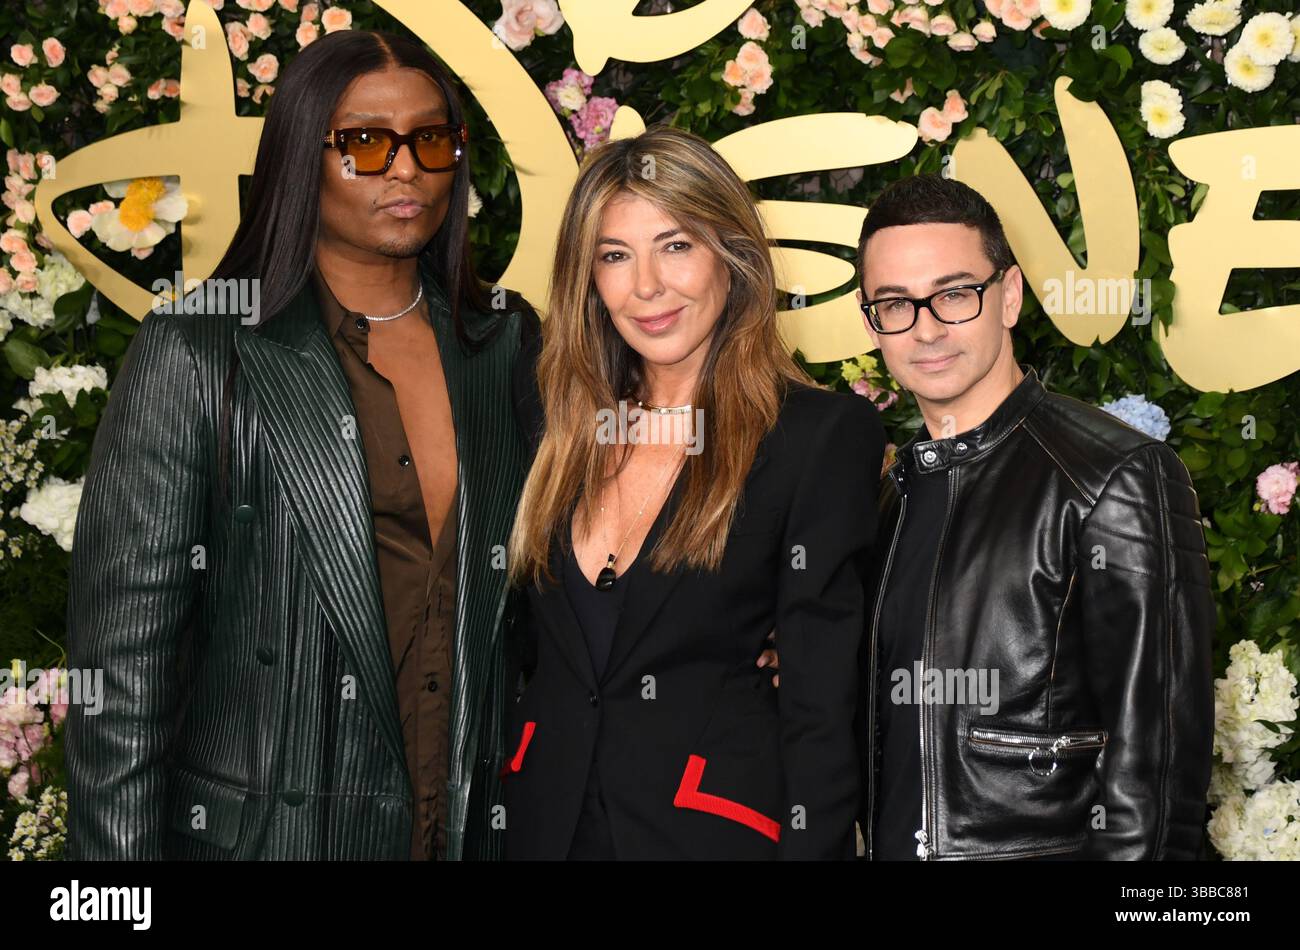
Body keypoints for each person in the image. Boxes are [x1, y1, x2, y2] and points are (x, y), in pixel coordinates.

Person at [64, 30, 537, 860]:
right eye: (363, 143)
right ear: (299, 154)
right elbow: (122, 680)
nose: (404, 169)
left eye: (431, 140)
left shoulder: (504, 347)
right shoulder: (200, 350)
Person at [503, 125, 885, 860]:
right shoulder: (546, 420)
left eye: (676, 245)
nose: (646, 286)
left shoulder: (816, 436)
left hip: (712, 835)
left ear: (733, 256)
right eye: (615, 256)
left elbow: (820, 706)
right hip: (539, 828)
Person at [854, 173, 1214, 860]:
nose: (926, 328)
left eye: (955, 294)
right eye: (895, 304)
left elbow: (1158, 779)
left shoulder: (1115, 476)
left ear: (1009, 296)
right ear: (871, 322)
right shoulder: (890, 497)